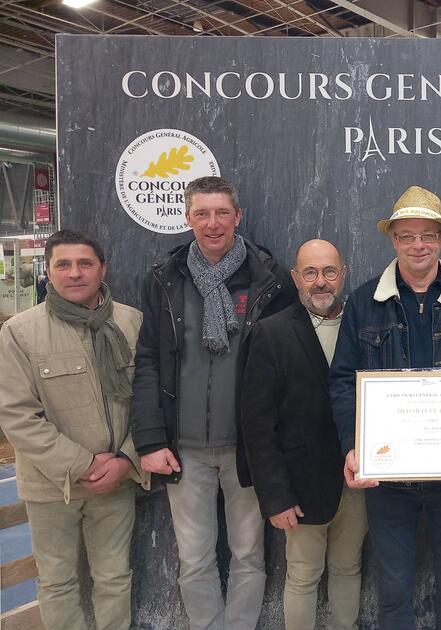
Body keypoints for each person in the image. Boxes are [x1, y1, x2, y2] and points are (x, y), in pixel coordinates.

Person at [330, 185, 441, 629]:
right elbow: (343, 381)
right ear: (392, 239)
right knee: (393, 595)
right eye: (407, 236)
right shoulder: (363, 302)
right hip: (388, 480)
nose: (418, 245)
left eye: (427, 235)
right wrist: (353, 446)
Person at [130, 176, 296, 630]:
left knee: (249, 553)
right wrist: (150, 439)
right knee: (194, 558)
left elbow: (285, 366)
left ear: (238, 217)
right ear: (188, 218)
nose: (212, 223)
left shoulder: (269, 279)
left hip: (248, 448)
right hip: (183, 449)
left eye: (222, 212)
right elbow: (148, 360)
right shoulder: (166, 279)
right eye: (201, 214)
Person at [0, 229, 146, 630]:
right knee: (58, 582)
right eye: (63, 264)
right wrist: (82, 464)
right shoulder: (20, 332)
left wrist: (126, 460)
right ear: (48, 272)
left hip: (116, 481)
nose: (75, 273)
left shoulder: (131, 323)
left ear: (103, 269)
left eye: (85, 263)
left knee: (115, 577)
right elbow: (16, 414)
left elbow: (150, 401)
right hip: (52, 486)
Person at [241, 239, 367, 630]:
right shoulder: (271, 333)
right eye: (310, 272)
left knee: (349, 567)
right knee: (303, 574)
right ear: (296, 278)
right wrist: (276, 497)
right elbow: (257, 426)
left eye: (329, 271)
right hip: (300, 486)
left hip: (360, 480)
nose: (320, 282)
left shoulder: (364, 329)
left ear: (343, 274)